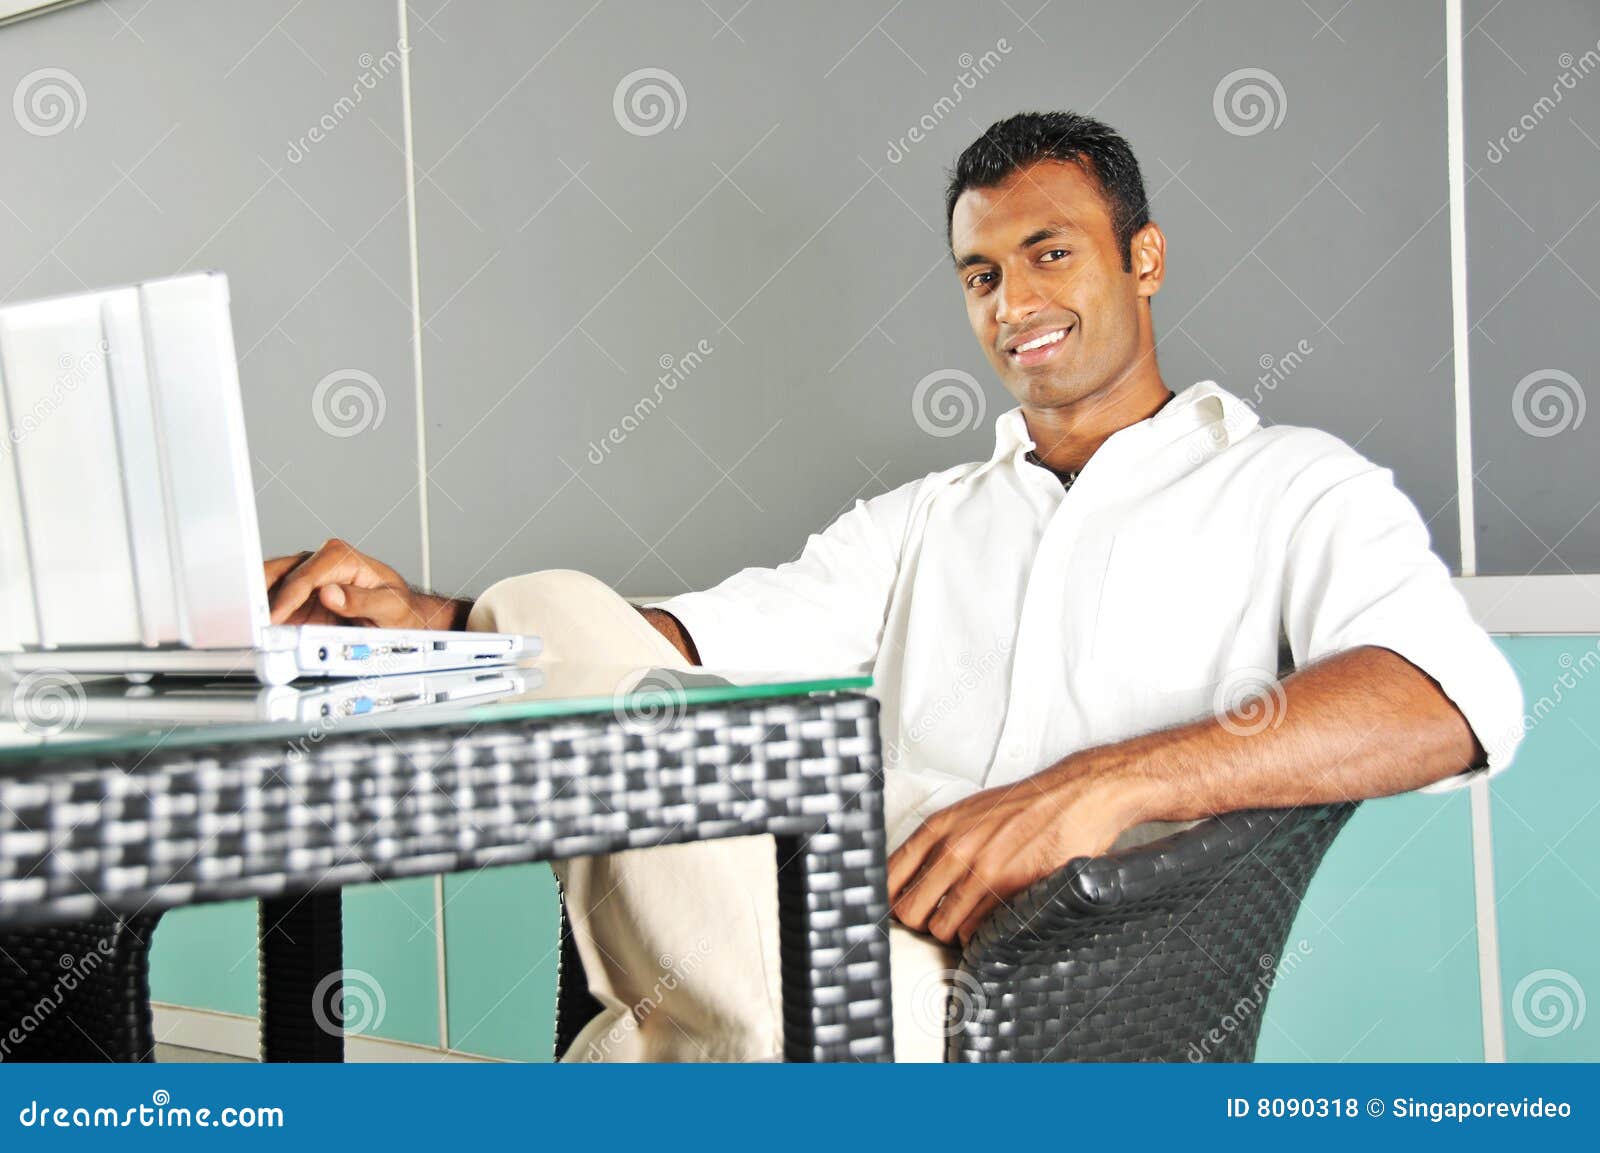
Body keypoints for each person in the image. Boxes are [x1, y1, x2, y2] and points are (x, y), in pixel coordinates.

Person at [264, 111, 1525, 1062]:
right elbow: (676, 642)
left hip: (1028, 981)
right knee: (548, 603)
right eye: (981, 276)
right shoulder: (924, 520)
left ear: (1142, 258)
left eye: (1047, 253)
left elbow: (1442, 698)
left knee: (655, 1039)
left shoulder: (1290, 483)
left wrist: (1098, 787)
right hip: (824, 913)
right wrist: (428, 617)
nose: (1013, 303)